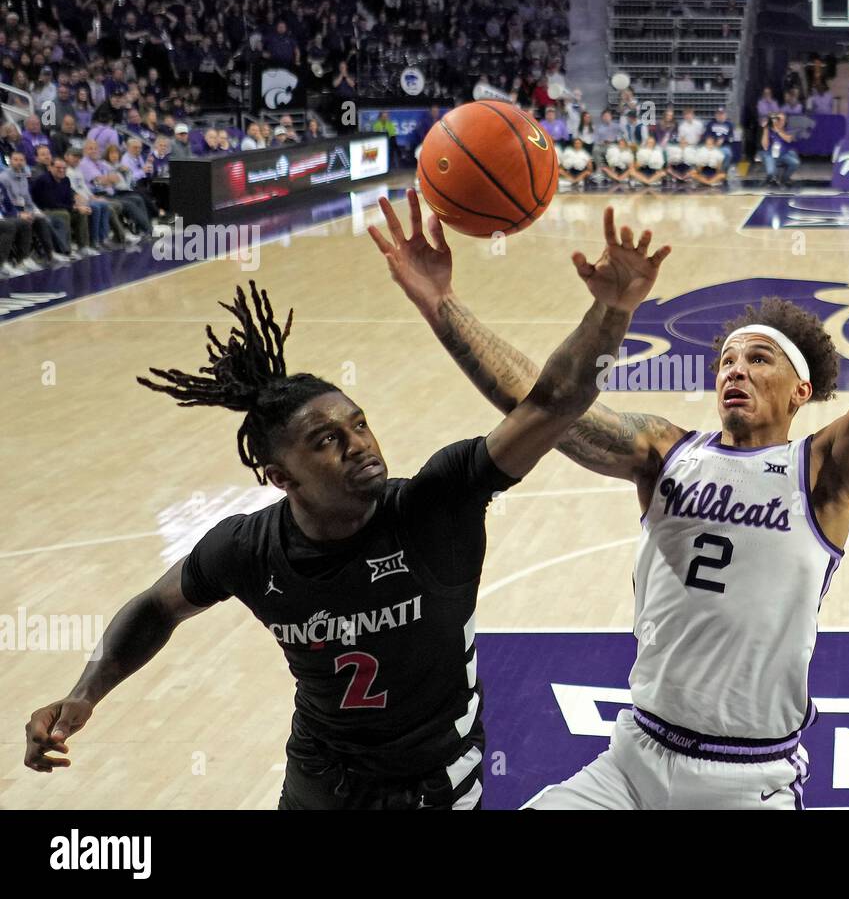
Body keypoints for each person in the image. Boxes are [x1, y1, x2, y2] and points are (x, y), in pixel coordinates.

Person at [418, 110, 849, 810]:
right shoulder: (664, 453)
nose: (736, 370)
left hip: (746, 779)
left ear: (801, 390)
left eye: (759, 359)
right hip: (630, 764)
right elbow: (545, 408)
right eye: (727, 360)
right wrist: (444, 306)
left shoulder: (824, 471)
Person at [23, 196, 672, 811]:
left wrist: (611, 312)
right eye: (328, 441)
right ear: (280, 476)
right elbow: (155, 607)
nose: (359, 444)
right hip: (322, 779)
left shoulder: (434, 504)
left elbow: (553, 405)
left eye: (359, 424)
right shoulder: (248, 548)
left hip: (437, 780)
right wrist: (85, 694)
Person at [759, 112, 798, 186]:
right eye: (778, 119)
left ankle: (785, 179)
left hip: (783, 154)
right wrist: (765, 129)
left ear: (785, 121)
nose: (780, 122)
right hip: (770, 155)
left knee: (795, 163)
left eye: (782, 120)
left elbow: (788, 139)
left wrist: (778, 130)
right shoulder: (769, 130)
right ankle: (769, 179)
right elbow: (765, 146)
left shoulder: (788, 129)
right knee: (771, 173)